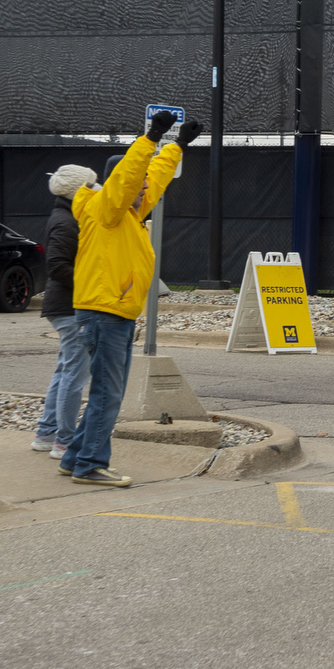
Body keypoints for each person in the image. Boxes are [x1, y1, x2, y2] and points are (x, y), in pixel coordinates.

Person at [60, 112, 201, 487]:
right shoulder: (107, 209)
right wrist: (151, 137)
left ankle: (74, 458)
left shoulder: (129, 213)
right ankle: (89, 465)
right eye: (137, 186)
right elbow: (128, 178)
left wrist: (177, 146)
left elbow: (153, 179)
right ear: (119, 186)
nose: (145, 191)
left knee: (108, 392)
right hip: (104, 313)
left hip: (111, 312)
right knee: (108, 394)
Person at [29, 164, 95, 455]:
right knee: (74, 375)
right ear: (79, 191)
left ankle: (46, 433)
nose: (97, 188)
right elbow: (56, 265)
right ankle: (64, 441)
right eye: (92, 184)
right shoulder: (66, 222)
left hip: (64, 305)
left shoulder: (66, 216)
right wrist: (92, 284)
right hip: (70, 306)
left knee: (66, 370)